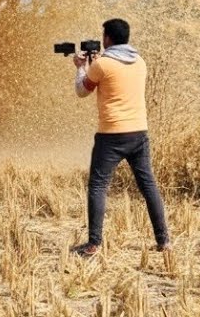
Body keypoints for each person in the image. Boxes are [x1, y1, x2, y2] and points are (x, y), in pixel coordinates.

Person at [70, 18, 170, 257]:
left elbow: (82, 90)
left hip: (111, 135)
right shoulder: (140, 62)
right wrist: (95, 63)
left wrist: (81, 67)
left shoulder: (102, 65)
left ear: (107, 38)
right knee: (148, 185)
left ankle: (93, 244)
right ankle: (164, 241)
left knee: (98, 186)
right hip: (139, 133)